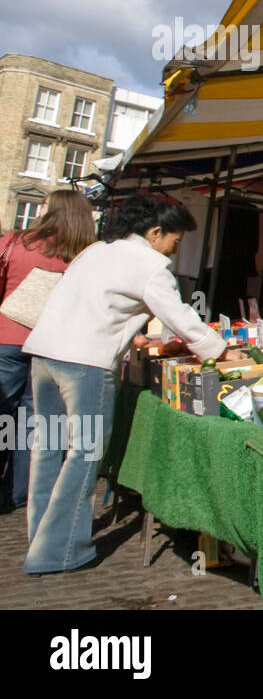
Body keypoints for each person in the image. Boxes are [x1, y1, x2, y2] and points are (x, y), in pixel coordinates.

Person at [21, 193, 229, 574]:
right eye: (175, 241)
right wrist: (216, 348)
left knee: (48, 449)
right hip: (86, 364)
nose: (174, 249)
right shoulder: (150, 266)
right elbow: (181, 317)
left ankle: (41, 538)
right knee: (83, 457)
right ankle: (58, 552)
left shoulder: (98, 249)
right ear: (155, 232)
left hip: (44, 355)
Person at [0, 192, 96, 514]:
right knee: (33, 421)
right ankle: (16, 491)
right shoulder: (84, 256)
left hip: (6, 338)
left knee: (2, 411)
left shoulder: (17, 242)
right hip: (53, 345)